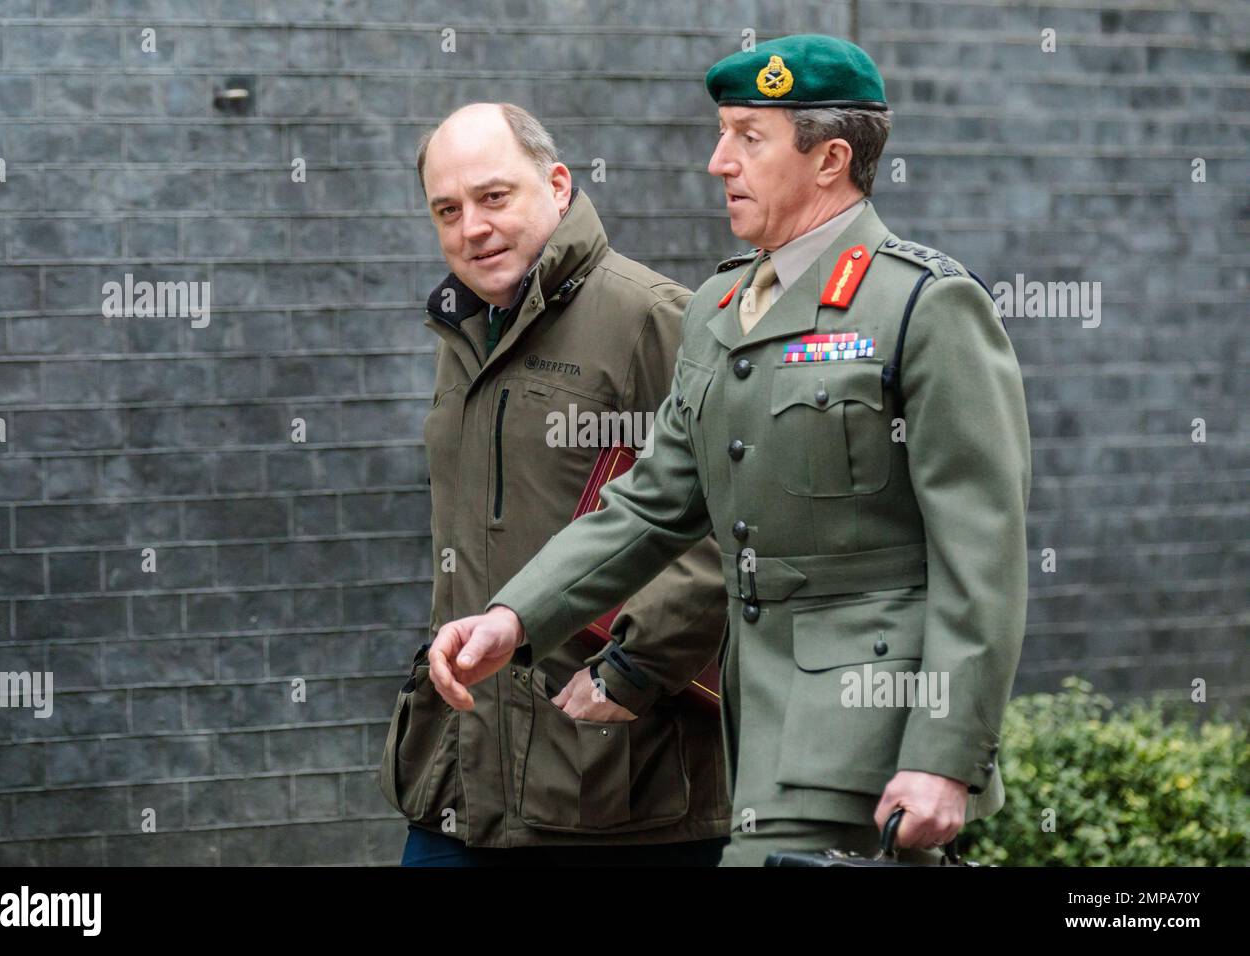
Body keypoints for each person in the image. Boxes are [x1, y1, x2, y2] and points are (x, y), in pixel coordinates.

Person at [425, 37, 1033, 867]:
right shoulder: (721, 303)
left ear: (831, 159)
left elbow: (982, 557)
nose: (719, 162)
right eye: (722, 133)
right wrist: (514, 616)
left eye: (749, 137)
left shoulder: (924, 306)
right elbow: (650, 503)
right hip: (756, 728)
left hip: (871, 731)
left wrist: (945, 757)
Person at [378, 102, 731, 865]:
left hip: (615, 779)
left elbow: (730, 519)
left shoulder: (654, 318)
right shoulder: (466, 331)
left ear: (559, 185)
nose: (472, 227)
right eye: (448, 209)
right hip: (462, 774)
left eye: (494, 197)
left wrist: (633, 670)